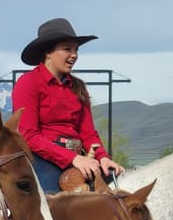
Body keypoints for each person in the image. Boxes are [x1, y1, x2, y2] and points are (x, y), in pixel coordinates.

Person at [12, 17, 124, 193]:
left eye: (76, 50)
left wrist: (103, 157)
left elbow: (88, 133)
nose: (74, 55)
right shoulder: (28, 83)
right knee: (52, 203)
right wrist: (72, 159)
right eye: (67, 49)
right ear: (48, 52)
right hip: (43, 159)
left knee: (114, 202)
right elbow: (29, 135)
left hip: (79, 158)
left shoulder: (78, 87)